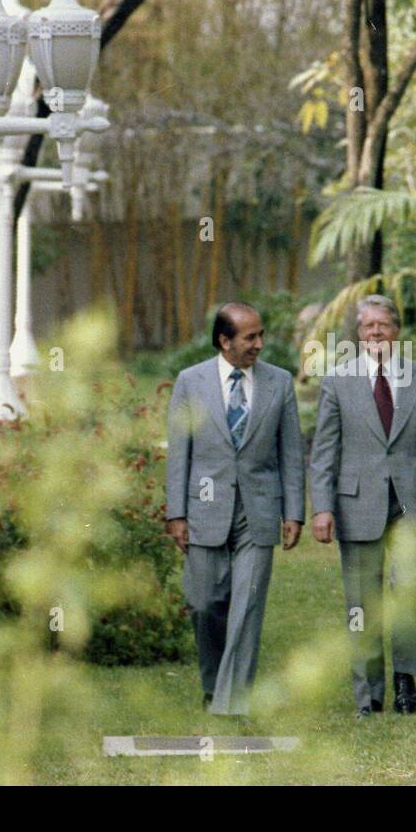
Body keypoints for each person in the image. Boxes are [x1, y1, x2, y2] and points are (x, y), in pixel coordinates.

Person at [310, 294, 416, 718]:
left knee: (411, 591)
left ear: (397, 331)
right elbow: (324, 451)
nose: (376, 333)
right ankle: (368, 694)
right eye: (368, 326)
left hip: (411, 503)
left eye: (383, 326)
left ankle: (405, 678)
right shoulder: (338, 381)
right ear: (358, 333)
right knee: (361, 601)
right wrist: (322, 507)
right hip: (356, 505)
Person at [165, 302, 305, 716]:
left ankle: (231, 702)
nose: (259, 344)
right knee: (205, 603)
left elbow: (291, 453)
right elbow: (179, 453)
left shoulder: (279, 383)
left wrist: (293, 512)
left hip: (258, 512)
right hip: (205, 508)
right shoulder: (190, 382)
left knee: (248, 604)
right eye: (250, 337)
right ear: (224, 341)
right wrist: (176, 513)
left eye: (261, 335)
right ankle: (214, 684)